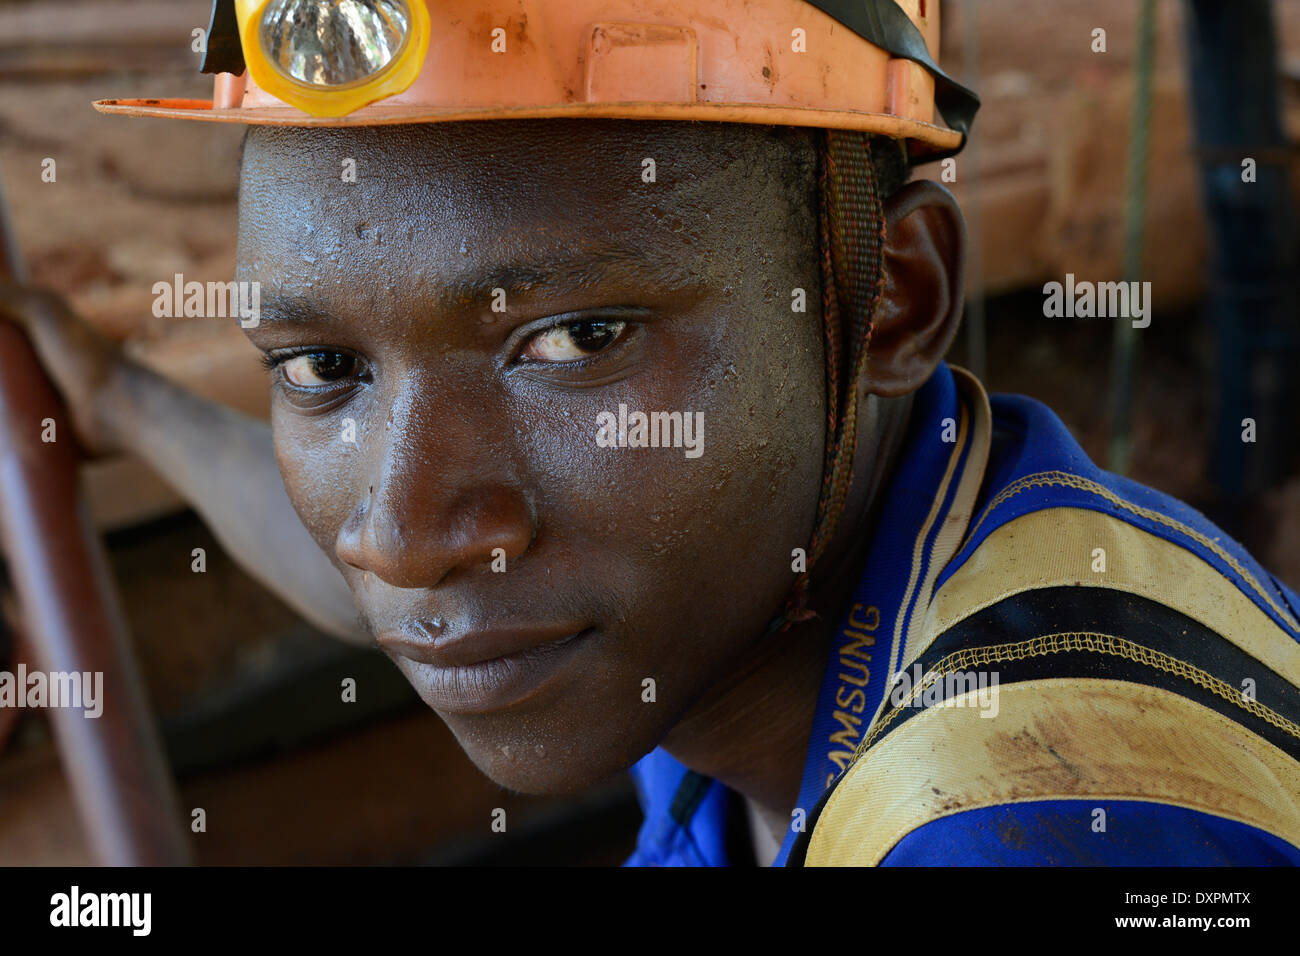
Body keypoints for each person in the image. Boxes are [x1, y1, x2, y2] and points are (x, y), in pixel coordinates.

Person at [3, 0, 1298, 866]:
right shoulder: (893, 534)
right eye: (326, 367)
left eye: (576, 342)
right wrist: (120, 403)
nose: (400, 538)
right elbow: (364, 579)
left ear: (893, 299)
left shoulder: (1009, 821)